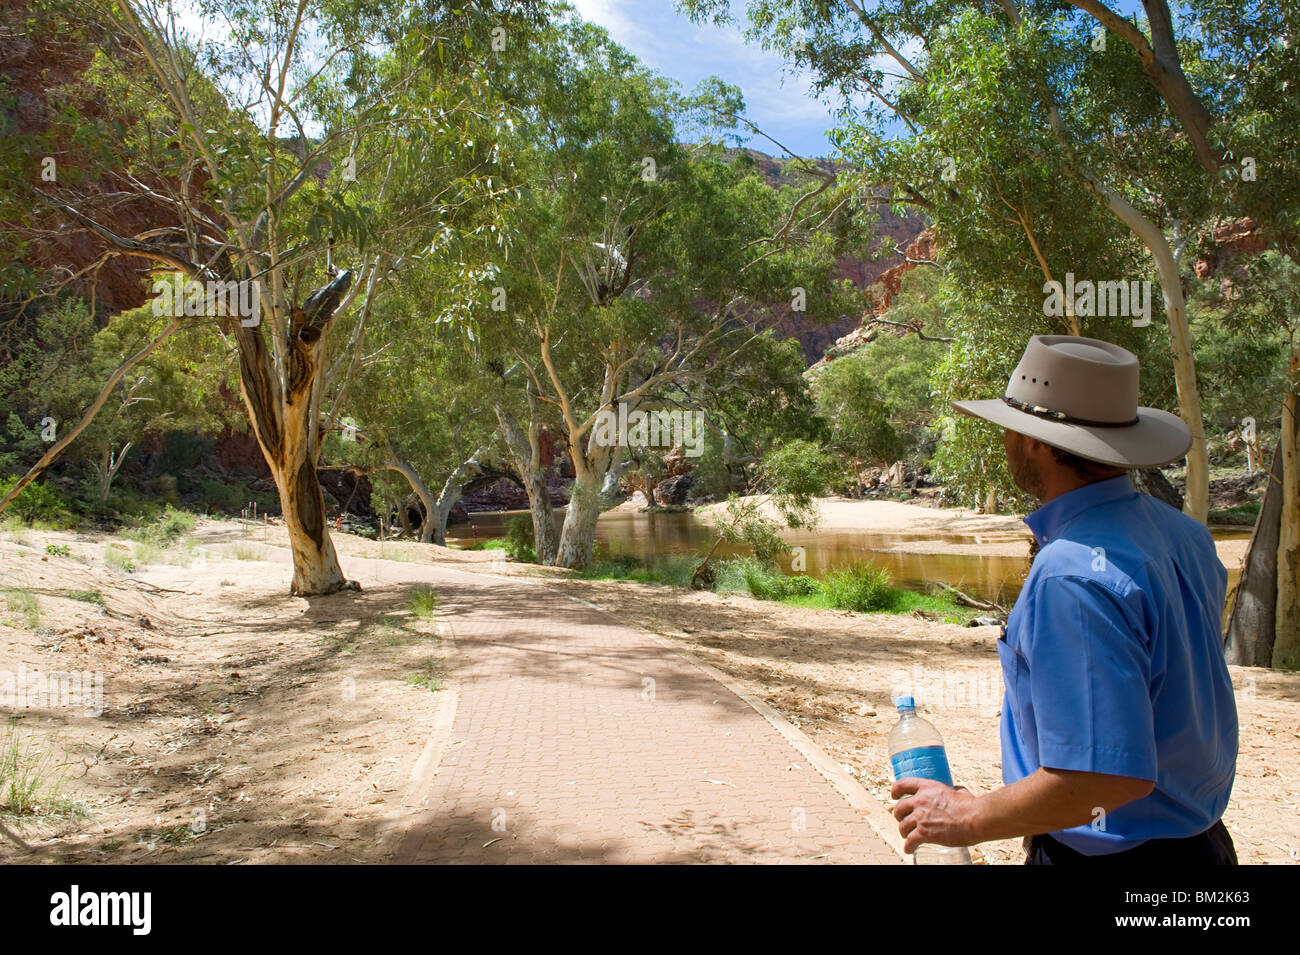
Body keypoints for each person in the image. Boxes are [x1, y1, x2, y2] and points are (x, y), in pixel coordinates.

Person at [892, 335, 1239, 864]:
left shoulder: (1071, 573)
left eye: (1012, 427)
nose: (1006, 438)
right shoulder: (1182, 534)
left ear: (1036, 442)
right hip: (1204, 846)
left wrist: (967, 815)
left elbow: (1102, 779)